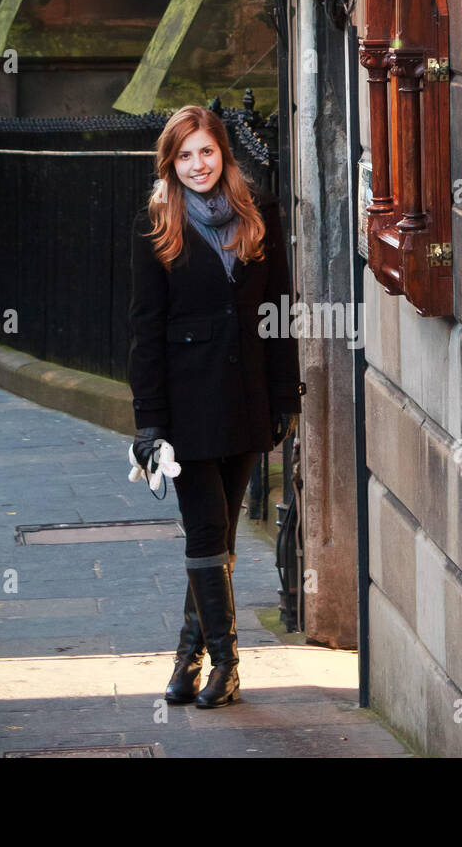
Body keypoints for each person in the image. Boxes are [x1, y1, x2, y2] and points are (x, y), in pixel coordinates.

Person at [127, 104, 303, 709]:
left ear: (223, 154)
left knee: (220, 538)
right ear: (170, 164)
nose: (198, 165)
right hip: (186, 413)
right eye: (185, 155)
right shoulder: (156, 227)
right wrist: (148, 423)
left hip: (248, 404)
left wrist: (284, 395)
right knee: (205, 531)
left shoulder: (259, 217)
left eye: (206, 151)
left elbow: (278, 313)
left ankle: (186, 657)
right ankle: (226, 667)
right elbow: (145, 330)